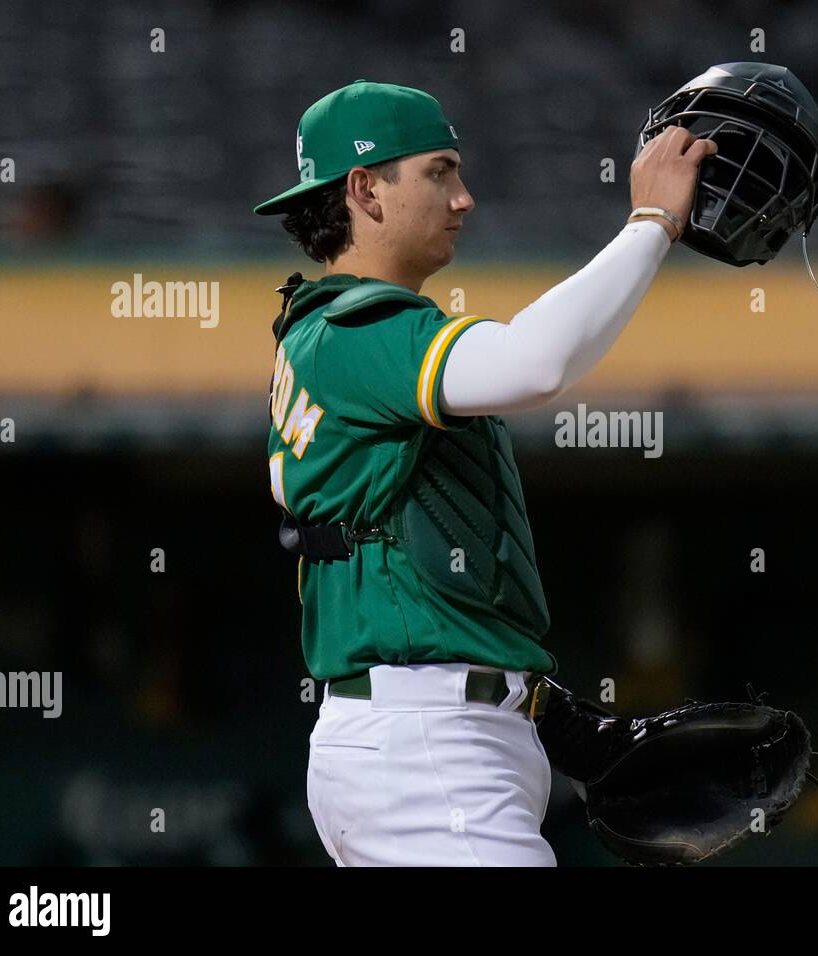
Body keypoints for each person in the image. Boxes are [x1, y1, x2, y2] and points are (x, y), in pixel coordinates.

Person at [254, 79, 716, 866]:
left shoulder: (335, 334)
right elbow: (534, 365)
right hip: (427, 746)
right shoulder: (354, 328)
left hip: (424, 737)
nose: (463, 199)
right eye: (438, 172)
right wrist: (652, 223)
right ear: (365, 189)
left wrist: (541, 709)